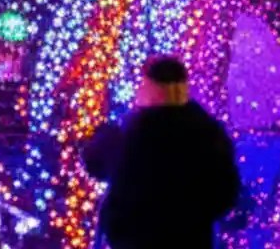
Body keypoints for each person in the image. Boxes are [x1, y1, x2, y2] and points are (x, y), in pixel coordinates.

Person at [83, 56, 240, 249]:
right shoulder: (207, 134)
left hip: (134, 241)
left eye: (142, 84)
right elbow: (225, 192)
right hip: (190, 241)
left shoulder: (129, 135)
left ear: (152, 89)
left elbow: (94, 163)